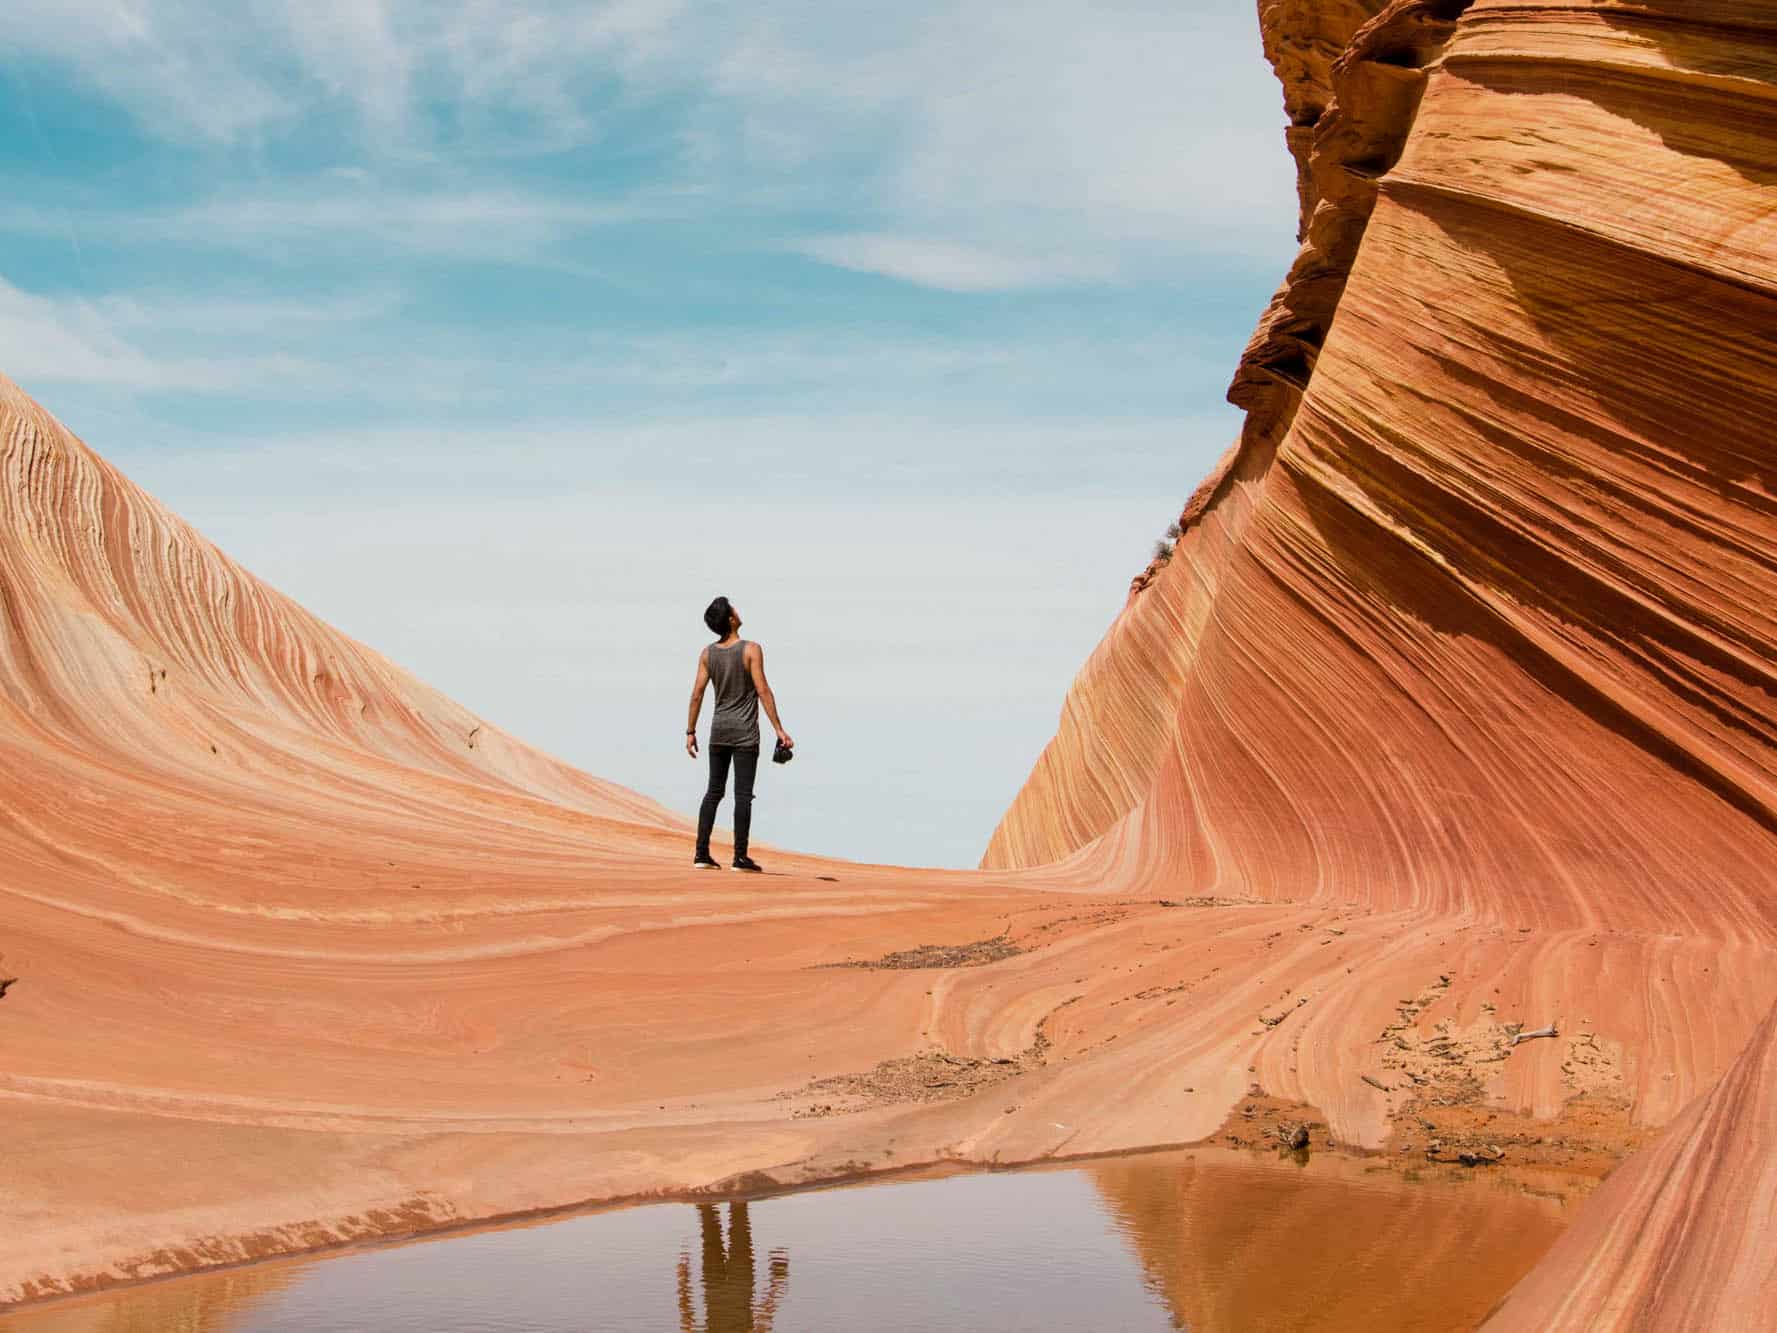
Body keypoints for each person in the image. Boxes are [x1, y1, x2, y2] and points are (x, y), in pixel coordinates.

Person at [685, 596, 793, 871]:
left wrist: (690, 731)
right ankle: (740, 858)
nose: (737, 610)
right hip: (745, 733)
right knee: (743, 795)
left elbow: (697, 694)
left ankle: (701, 854)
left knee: (713, 792)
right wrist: (779, 729)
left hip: (718, 732)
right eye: (733, 608)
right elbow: (763, 691)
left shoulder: (708, 653)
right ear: (731, 619)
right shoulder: (751, 650)